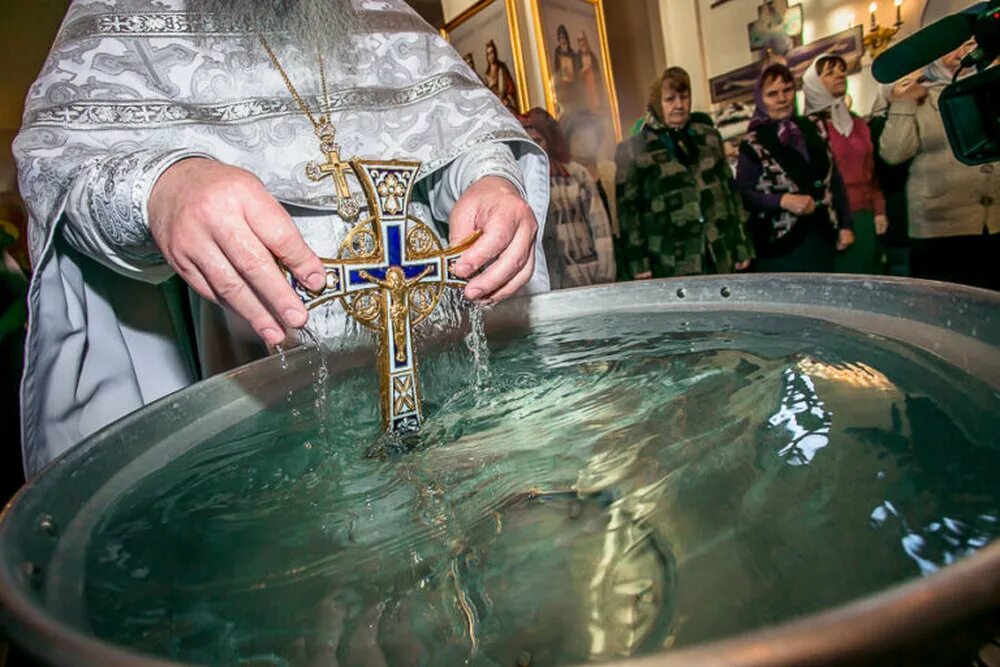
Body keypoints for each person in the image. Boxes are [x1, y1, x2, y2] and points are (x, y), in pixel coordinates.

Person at [13, 0, 550, 477]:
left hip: (435, 379)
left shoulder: (380, 10)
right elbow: (56, 167)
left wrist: (490, 176)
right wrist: (162, 187)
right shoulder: (121, 12)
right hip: (249, 385)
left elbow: (462, 132)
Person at [878, 40, 1000, 290]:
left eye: (970, 44)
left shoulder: (989, 87)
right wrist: (903, 103)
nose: (963, 51)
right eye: (954, 45)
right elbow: (893, 153)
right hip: (940, 227)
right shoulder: (921, 93)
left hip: (994, 222)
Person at [615, 67, 753, 280]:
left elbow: (731, 193)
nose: (679, 105)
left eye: (684, 97)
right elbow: (629, 213)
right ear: (657, 103)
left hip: (717, 250)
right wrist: (638, 264)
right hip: (668, 257)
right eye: (670, 99)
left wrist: (743, 244)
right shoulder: (634, 149)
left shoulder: (709, 137)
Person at [736, 63, 854, 273]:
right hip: (782, 245)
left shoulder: (815, 127)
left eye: (787, 90)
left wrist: (845, 224)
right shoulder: (753, 142)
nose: (782, 99)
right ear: (760, 99)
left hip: (824, 234)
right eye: (772, 94)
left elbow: (834, 179)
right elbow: (744, 195)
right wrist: (781, 200)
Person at [802, 54, 886, 275]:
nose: (840, 75)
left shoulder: (856, 122)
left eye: (841, 70)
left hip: (866, 215)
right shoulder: (809, 129)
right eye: (830, 72)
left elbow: (871, 170)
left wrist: (879, 209)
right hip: (835, 219)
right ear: (814, 83)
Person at [520, 109, 615, 289]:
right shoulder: (518, 183)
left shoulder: (575, 173)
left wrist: (605, 275)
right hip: (545, 278)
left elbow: (600, 227)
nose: (535, 148)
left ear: (549, 141)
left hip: (583, 274)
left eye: (539, 141)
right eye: (528, 143)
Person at [559, 111, 621, 273]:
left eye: (590, 136)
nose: (585, 143)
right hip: (584, 256)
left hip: (618, 247)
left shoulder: (610, 170)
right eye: (578, 137)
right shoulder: (563, 179)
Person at [484, 39, 519, 114]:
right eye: (489, 54)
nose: (491, 56)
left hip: (503, 102)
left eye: (492, 52)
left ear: (495, 53)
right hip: (494, 103)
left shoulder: (501, 68)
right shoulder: (487, 74)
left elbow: (503, 90)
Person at [576, 32, 602, 112]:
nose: (583, 43)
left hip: (594, 87)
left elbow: (598, 75)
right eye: (580, 41)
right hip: (585, 90)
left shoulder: (592, 56)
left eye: (584, 40)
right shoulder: (577, 58)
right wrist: (583, 70)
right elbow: (576, 77)